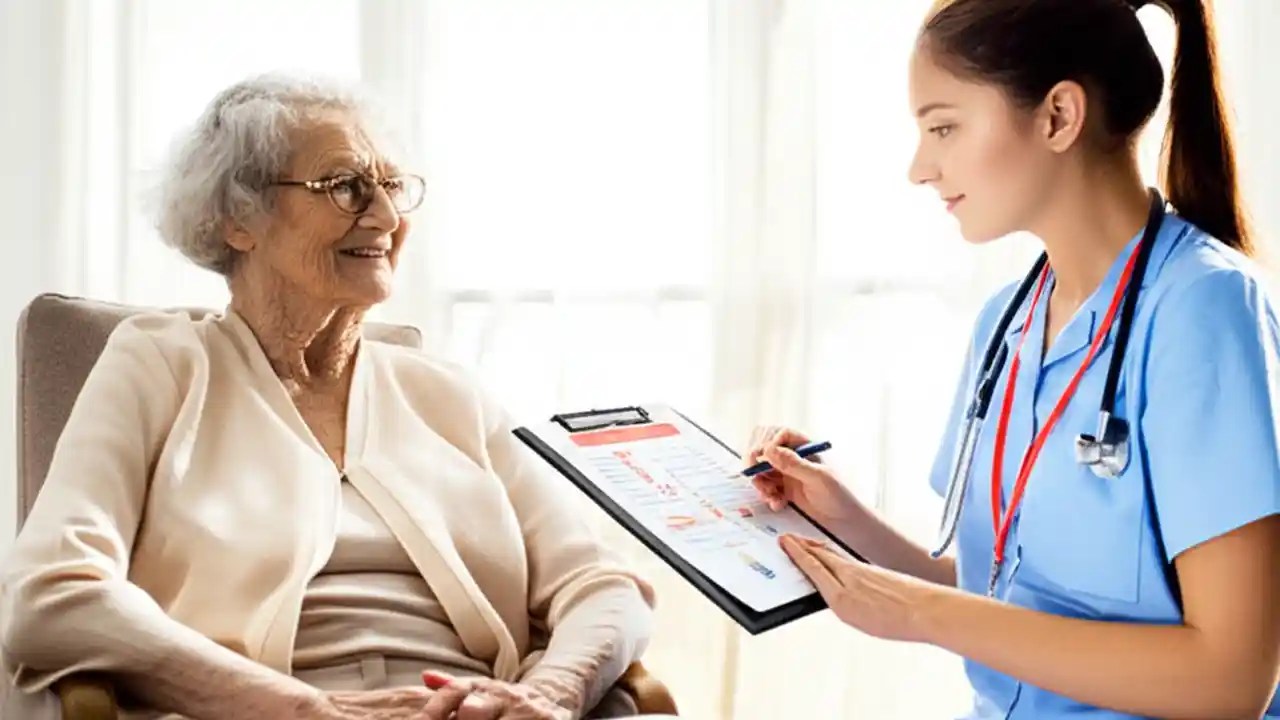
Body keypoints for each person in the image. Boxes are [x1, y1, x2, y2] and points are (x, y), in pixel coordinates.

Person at [0, 74, 663, 720]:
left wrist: (546, 695)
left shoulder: (446, 394)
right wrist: (301, 708)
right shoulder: (160, 364)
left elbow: (604, 588)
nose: (383, 217)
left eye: (392, 187)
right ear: (238, 218)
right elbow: (52, 595)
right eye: (344, 186)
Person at [749, 0, 1280, 717]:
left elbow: (1231, 681)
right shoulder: (1007, 321)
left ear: (1058, 115)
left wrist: (917, 613)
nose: (919, 167)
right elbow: (998, 594)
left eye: (943, 126)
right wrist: (842, 517)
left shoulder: (1203, 311)